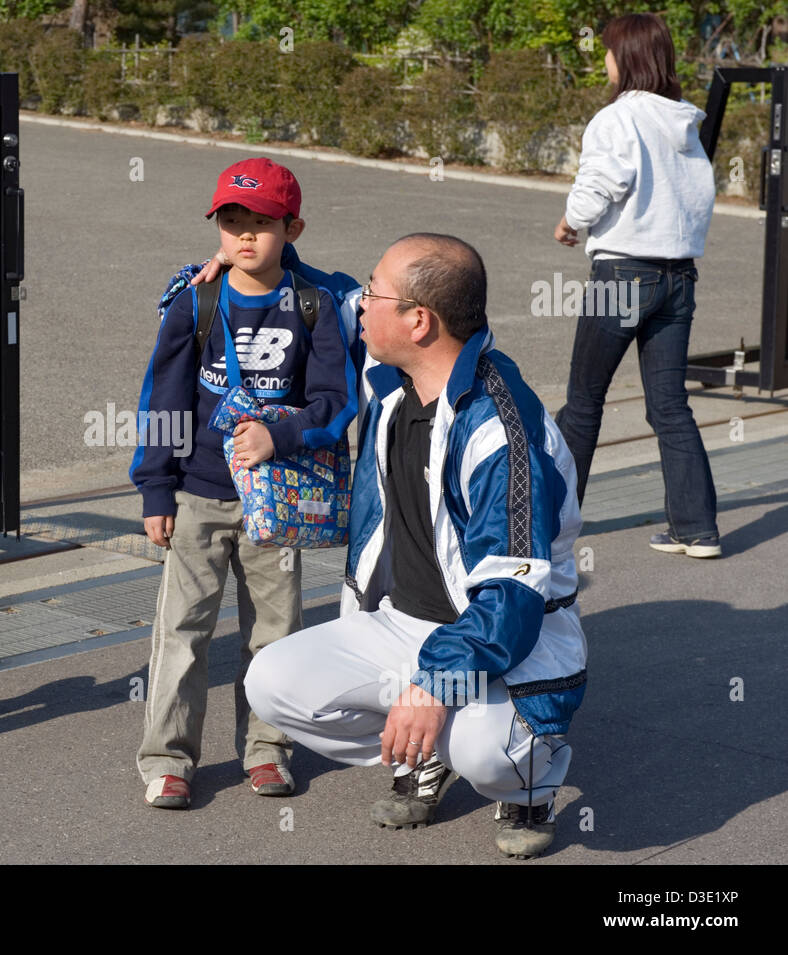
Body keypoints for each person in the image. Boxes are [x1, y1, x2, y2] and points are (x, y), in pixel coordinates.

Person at [244, 234, 586, 859]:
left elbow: (513, 592)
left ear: (417, 321)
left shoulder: (500, 433)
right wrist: (261, 254)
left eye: (374, 294)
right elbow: (332, 290)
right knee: (271, 682)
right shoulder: (393, 378)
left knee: (491, 754)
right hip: (401, 621)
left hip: (506, 638)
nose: (359, 306)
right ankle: (427, 749)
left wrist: (434, 687)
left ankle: (530, 785)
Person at [131, 157, 360, 809]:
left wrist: (278, 436)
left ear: (294, 228)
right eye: (232, 221)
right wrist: (155, 488)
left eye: (262, 223)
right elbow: (162, 399)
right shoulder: (195, 300)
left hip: (277, 499)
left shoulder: (314, 304)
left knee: (275, 631)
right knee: (182, 630)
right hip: (197, 494)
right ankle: (169, 758)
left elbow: (334, 400)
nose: (246, 235)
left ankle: (267, 746)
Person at [554, 12, 720, 558]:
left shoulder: (616, 119)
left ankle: (550, 526)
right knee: (671, 405)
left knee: (582, 404)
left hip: (622, 274)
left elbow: (601, 181)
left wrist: (572, 221)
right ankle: (696, 530)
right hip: (679, 277)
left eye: (607, 51)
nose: (603, 60)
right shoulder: (684, 127)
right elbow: (698, 200)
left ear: (626, 58)